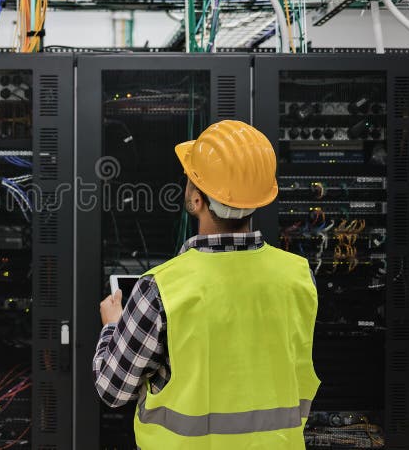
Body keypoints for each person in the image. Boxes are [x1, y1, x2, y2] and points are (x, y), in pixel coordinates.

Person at [94, 120, 319, 450]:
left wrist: (112, 326)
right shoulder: (299, 276)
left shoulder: (159, 289)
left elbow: (112, 389)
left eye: (191, 178)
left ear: (197, 200)